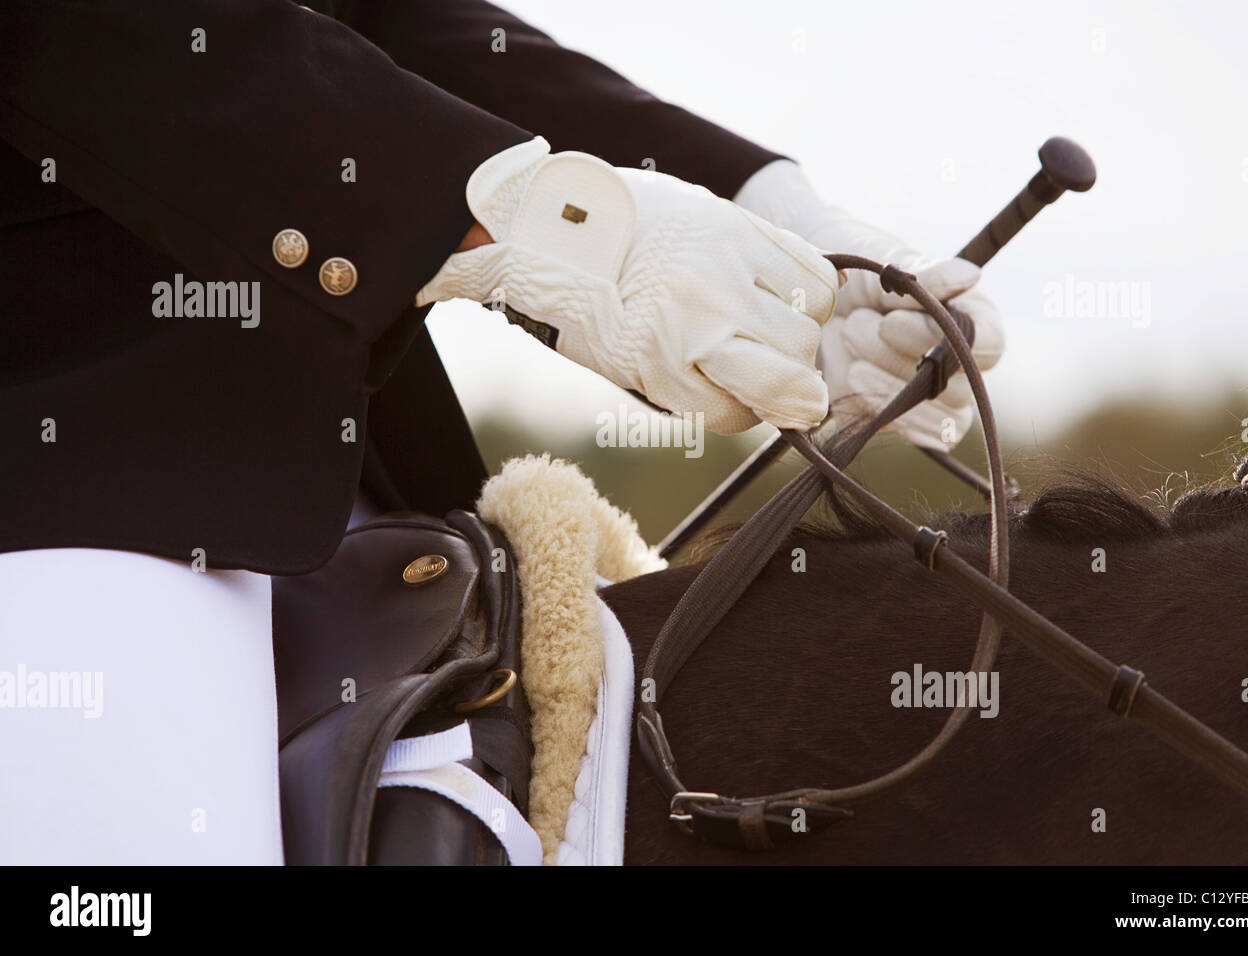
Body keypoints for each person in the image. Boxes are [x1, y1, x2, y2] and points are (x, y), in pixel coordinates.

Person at [0, 0, 1003, 863]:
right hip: (60, 458)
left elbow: (384, 26)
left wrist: (782, 231)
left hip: (340, 480)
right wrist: (525, 219)